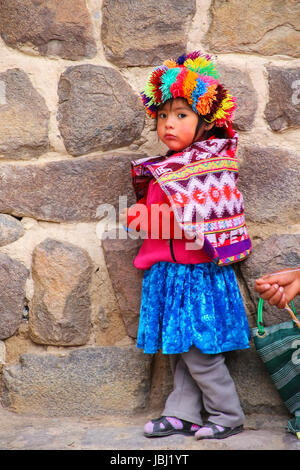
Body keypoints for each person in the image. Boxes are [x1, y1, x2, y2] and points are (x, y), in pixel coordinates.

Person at [120, 51, 252, 440]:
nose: (168, 124)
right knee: (182, 347)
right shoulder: (168, 166)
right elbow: (167, 210)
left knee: (200, 350)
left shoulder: (209, 167)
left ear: (206, 120)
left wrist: (144, 219)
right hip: (171, 272)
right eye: (162, 116)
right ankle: (182, 412)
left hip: (199, 274)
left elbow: (205, 221)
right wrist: (146, 212)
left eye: (181, 115)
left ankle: (227, 415)